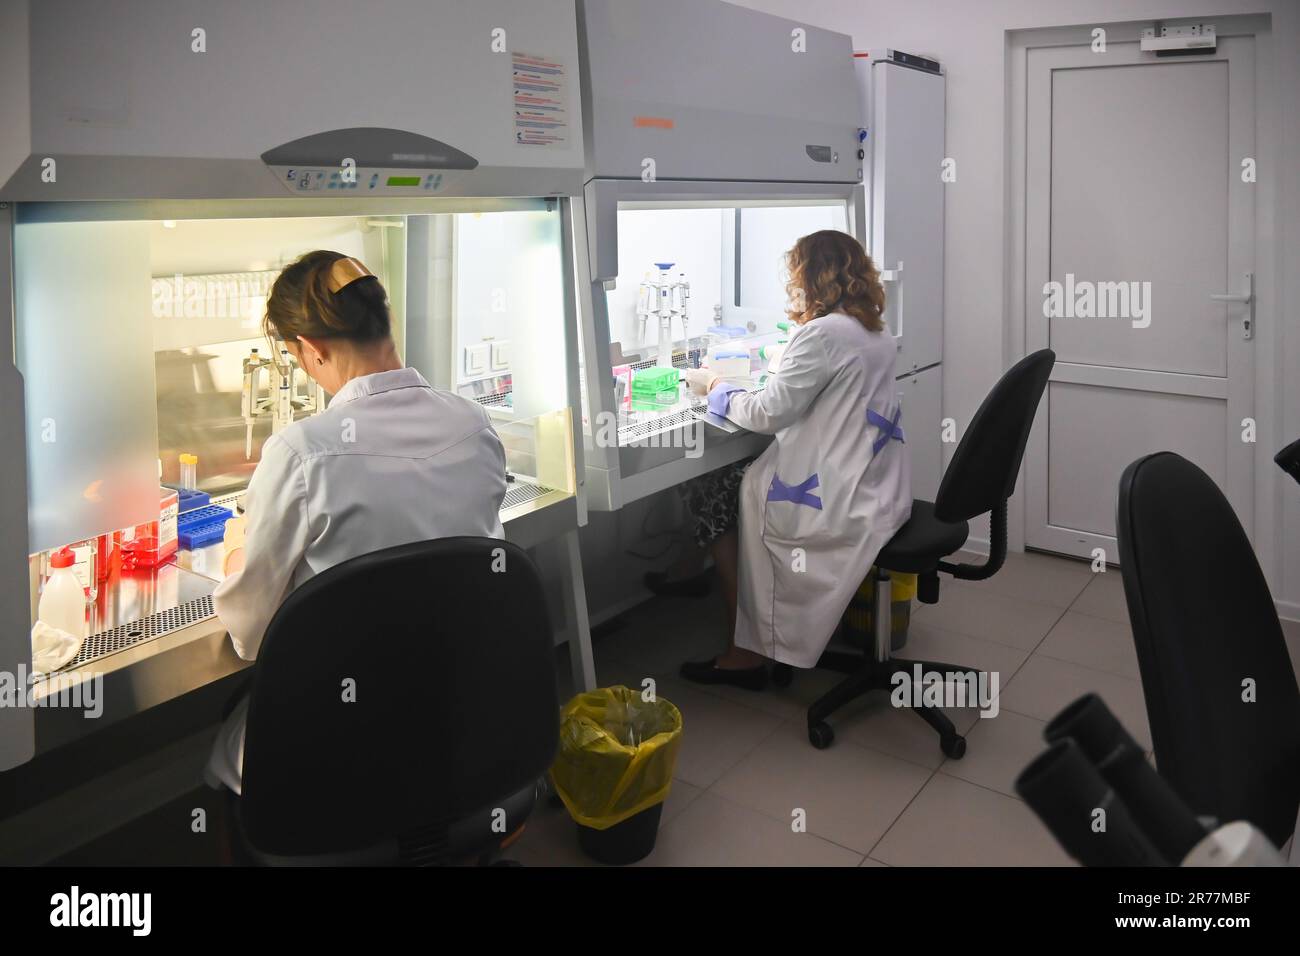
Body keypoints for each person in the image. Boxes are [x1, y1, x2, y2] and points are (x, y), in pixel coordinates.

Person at [203, 250, 507, 793]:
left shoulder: (301, 452)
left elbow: (249, 633)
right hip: (461, 716)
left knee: (222, 760)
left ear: (312, 349)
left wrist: (234, 547)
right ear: (383, 323)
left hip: (342, 738)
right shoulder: (474, 424)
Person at [675, 230, 911, 689]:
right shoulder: (870, 328)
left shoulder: (824, 334)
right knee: (720, 482)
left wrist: (718, 389)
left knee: (713, 488)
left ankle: (745, 652)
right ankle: (685, 578)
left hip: (836, 495)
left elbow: (767, 412)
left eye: (795, 274)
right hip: (877, 487)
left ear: (810, 277)